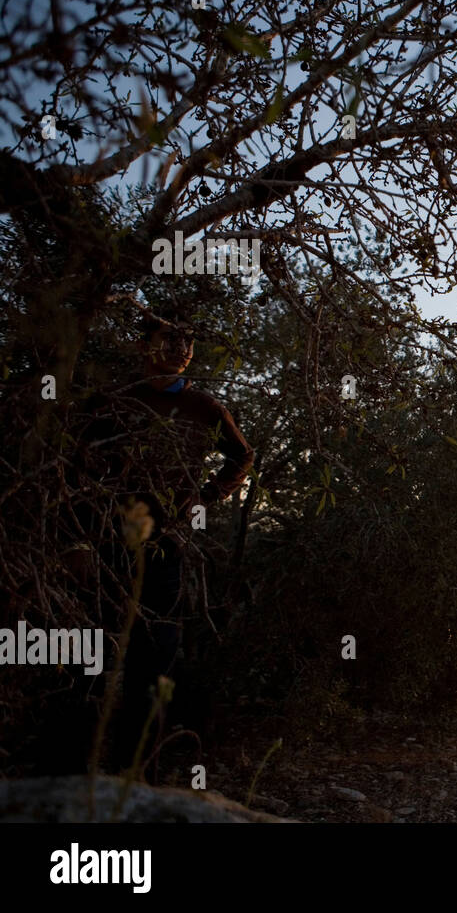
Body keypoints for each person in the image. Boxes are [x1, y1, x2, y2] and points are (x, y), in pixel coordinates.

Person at [80, 312, 255, 775]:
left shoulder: (204, 407)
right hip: (108, 541)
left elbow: (243, 456)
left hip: (167, 546)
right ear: (144, 346)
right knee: (89, 653)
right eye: (170, 339)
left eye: (189, 342)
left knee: (153, 659)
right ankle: (72, 771)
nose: (181, 349)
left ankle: (136, 775)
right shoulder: (114, 402)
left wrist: (206, 496)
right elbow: (79, 459)